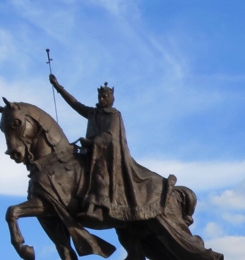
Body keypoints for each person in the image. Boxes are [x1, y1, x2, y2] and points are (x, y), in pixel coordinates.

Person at [49, 74, 169, 226]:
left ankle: (98, 208)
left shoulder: (114, 115)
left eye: (105, 97)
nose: (101, 99)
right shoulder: (92, 112)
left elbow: (110, 135)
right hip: (90, 152)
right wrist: (58, 87)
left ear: (111, 98)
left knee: (100, 171)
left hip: (106, 154)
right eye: (100, 97)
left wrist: (92, 142)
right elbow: (75, 104)